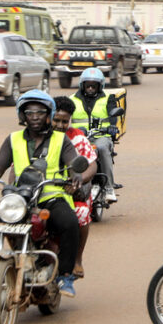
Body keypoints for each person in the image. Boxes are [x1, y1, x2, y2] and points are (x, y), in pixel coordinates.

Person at [0, 91, 83, 297]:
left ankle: (65, 275)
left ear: (48, 115)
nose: (34, 116)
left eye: (40, 112)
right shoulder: (13, 139)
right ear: (22, 115)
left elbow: (72, 162)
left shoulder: (61, 140)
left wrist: (75, 175)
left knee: (70, 224)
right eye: (29, 112)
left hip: (50, 196)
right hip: (19, 198)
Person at [52, 96, 98, 278]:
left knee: (81, 213)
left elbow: (92, 165)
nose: (60, 125)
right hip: (43, 190)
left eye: (65, 121)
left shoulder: (77, 137)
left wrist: (78, 181)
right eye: (56, 120)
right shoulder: (40, 134)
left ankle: (77, 259)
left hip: (70, 192)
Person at [69, 68, 119, 203]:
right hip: (78, 137)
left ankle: (109, 187)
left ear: (100, 86)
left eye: (94, 85)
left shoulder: (108, 98)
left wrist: (112, 127)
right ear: (82, 85)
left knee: (102, 148)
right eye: (88, 85)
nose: (90, 88)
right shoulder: (72, 99)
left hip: (100, 136)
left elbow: (113, 116)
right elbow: (64, 115)